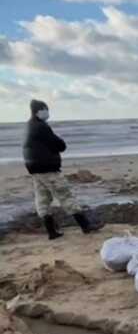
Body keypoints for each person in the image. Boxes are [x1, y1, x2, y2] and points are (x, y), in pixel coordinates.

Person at [22, 100, 103, 240]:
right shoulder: (41, 126)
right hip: (47, 168)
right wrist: (59, 146)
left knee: (42, 199)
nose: (47, 112)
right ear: (39, 110)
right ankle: (85, 226)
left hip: (35, 169)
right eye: (45, 109)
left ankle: (51, 232)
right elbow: (58, 144)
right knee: (65, 195)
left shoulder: (28, 126)